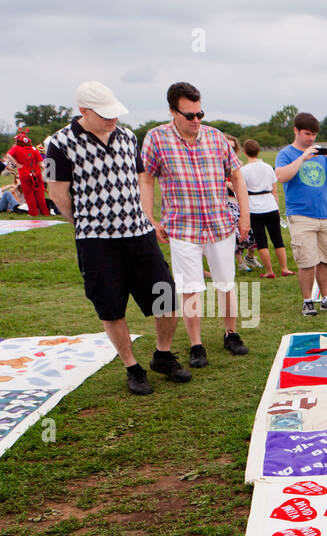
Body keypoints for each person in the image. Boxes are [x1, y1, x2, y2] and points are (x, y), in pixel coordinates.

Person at [44, 80, 190, 396]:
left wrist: (142, 213)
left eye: (115, 113)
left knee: (166, 298)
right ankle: (131, 367)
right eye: (105, 114)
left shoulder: (126, 136)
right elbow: (57, 194)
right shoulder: (58, 144)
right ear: (83, 111)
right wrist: (84, 223)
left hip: (139, 234)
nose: (113, 119)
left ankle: (163, 356)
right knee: (111, 307)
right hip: (96, 242)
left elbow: (139, 176)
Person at [140, 81, 251, 368]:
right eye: (189, 115)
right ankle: (196, 344)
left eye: (200, 114)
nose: (196, 121)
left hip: (220, 224)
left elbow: (237, 176)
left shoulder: (216, 138)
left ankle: (231, 332)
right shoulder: (156, 138)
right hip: (182, 227)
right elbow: (147, 178)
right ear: (172, 112)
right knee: (190, 287)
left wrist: (244, 216)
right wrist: (149, 217)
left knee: (226, 282)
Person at [275, 112, 327, 317]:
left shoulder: (322, 154)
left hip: (326, 213)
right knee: (306, 261)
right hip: (301, 214)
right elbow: (281, 176)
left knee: (326, 259)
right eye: (307, 133)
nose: (311, 138)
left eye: (314, 134)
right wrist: (302, 157)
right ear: (296, 131)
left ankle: (326, 298)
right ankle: (308, 301)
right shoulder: (286, 154)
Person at [241, 139, 292, 280]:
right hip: (270, 205)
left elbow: (242, 190)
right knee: (278, 239)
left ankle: (269, 271)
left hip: (254, 207)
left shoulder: (243, 170)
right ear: (259, 151)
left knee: (262, 241)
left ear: (244, 152)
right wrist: (277, 205)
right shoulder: (268, 167)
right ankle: (284, 268)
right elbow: (274, 189)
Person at [5, 129, 49, 216]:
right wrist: (44, 171)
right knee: (40, 193)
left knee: (29, 194)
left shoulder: (16, 148)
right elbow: (42, 164)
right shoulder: (33, 149)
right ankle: (45, 212)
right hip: (36, 173)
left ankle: (33, 212)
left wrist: (16, 164)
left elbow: (8, 155)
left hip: (25, 174)